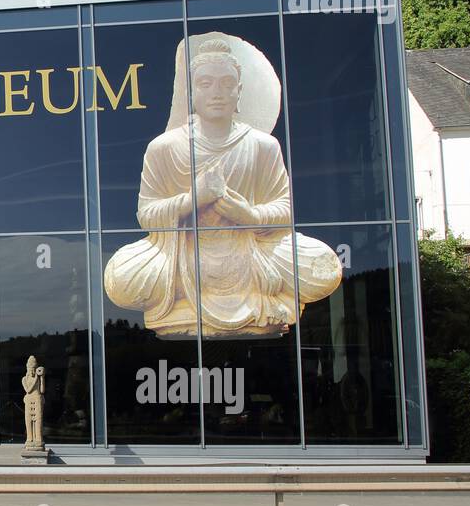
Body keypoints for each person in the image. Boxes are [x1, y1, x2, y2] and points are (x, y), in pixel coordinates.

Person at [105, 36, 341, 339]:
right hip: (184, 256)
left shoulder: (262, 146)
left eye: (227, 84)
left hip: (253, 251)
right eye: (205, 84)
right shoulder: (164, 148)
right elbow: (147, 214)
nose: (217, 93)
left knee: (325, 268)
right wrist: (194, 199)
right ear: (190, 92)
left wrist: (251, 216)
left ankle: (197, 303)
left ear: (239, 92)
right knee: (119, 277)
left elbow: (284, 209)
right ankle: (193, 300)